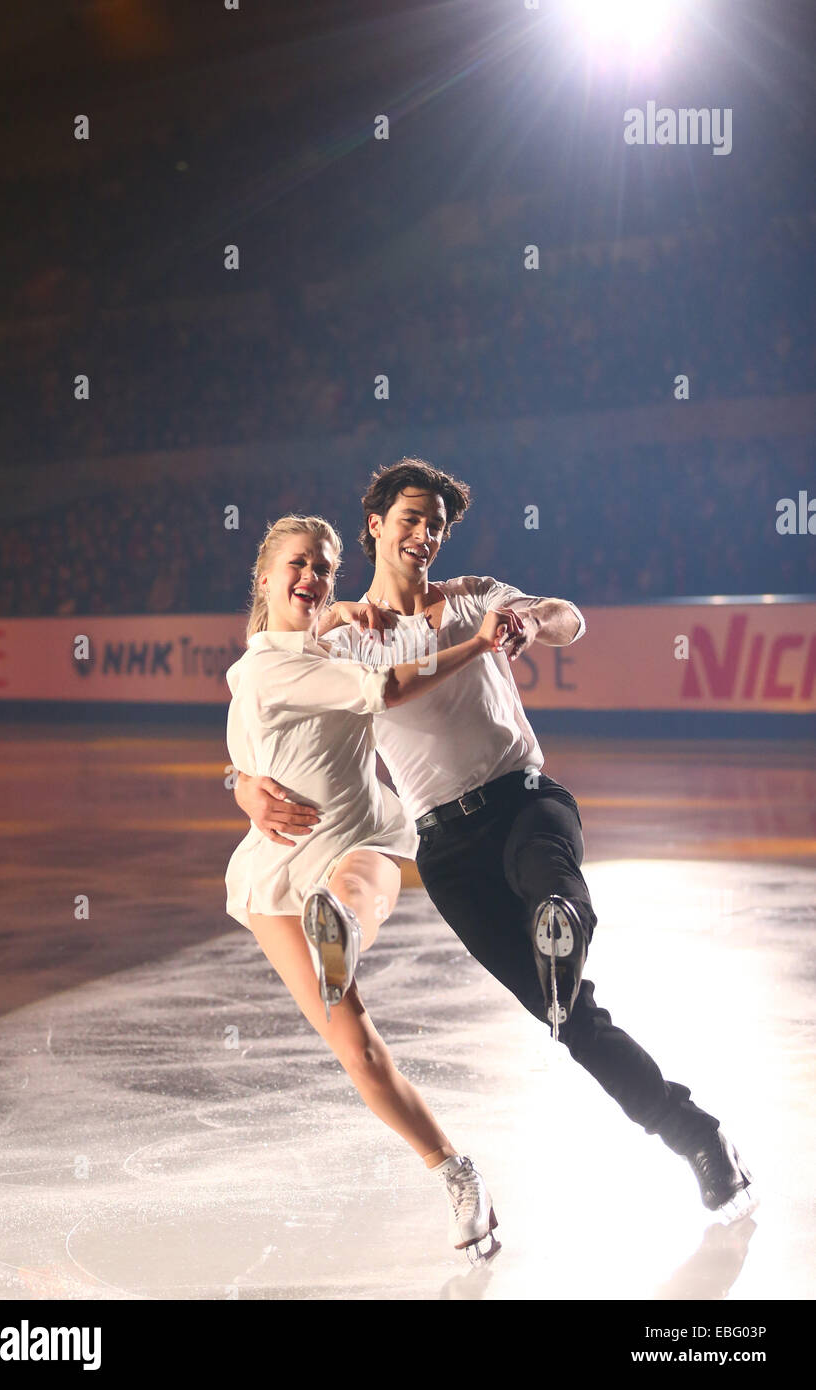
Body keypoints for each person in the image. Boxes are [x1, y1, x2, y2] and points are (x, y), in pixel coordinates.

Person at [235, 460, 757, 1227]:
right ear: (375, 526)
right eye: (410, 518)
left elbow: (569, 617)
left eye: (437, 525)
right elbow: (271, 706)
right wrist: (242, 783)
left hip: (525, 802)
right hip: (446, 849)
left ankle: (561, 925)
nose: (425, 535)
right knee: (568, 1019)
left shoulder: (475, 597)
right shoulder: (344, 636)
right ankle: (697, 1134)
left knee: (549, 880)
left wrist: (529, 621)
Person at [224, 512, 520, 1263]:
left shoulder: (326, 633)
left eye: (324, 566)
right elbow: (385, 687)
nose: (313, 576)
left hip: (362, 839)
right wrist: (479, 643)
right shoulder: (263, 667)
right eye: (297, 563)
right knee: (355, 1049)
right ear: (264, 576)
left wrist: (336, 612)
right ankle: (458, 1173)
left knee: (356, 886)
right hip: (277, 875)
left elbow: (246, 752)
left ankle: (340, 929)